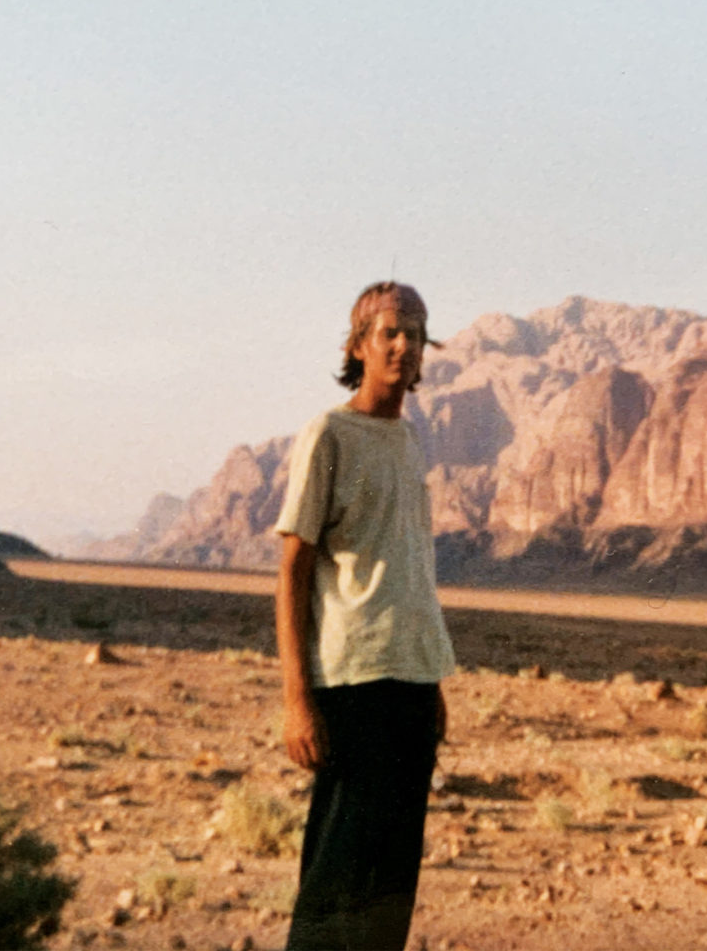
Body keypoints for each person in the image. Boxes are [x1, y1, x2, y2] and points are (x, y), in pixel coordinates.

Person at [274, 281, 456, 950]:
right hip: (350, 688)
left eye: (416, 331)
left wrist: (431, 680)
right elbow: (292, 569)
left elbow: (407, 571)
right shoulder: (329, 434)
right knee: (337, 878)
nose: (404, 345)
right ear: (358, 345)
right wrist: (298, 701)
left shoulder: (408, 441)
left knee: (390, 884)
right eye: (389, 332)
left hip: (409, 686)